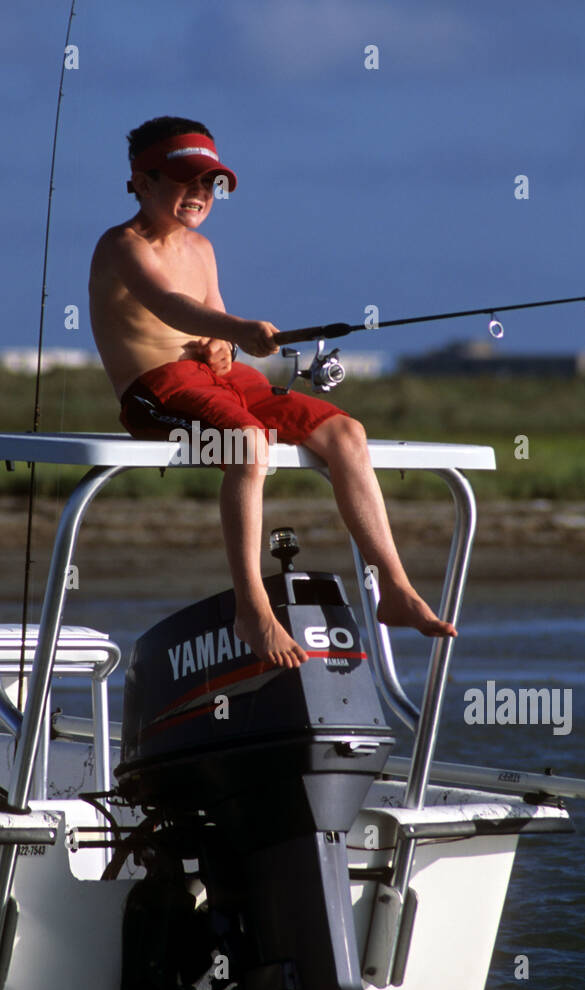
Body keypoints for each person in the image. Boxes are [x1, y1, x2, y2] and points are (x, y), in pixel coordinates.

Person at [89, 115, 456, 668]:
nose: (197, 193)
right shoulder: (121, 244)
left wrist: (225, 346)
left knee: (346, 431)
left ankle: (396, 590)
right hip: (154, 390)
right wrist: (237, 329)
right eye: (182, 178)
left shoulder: (203, 249)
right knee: (248, 444)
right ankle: (252, 606)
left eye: (207, 182)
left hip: (223, 379)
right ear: (142, 182)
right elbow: (167, 306)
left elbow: (207, 322)